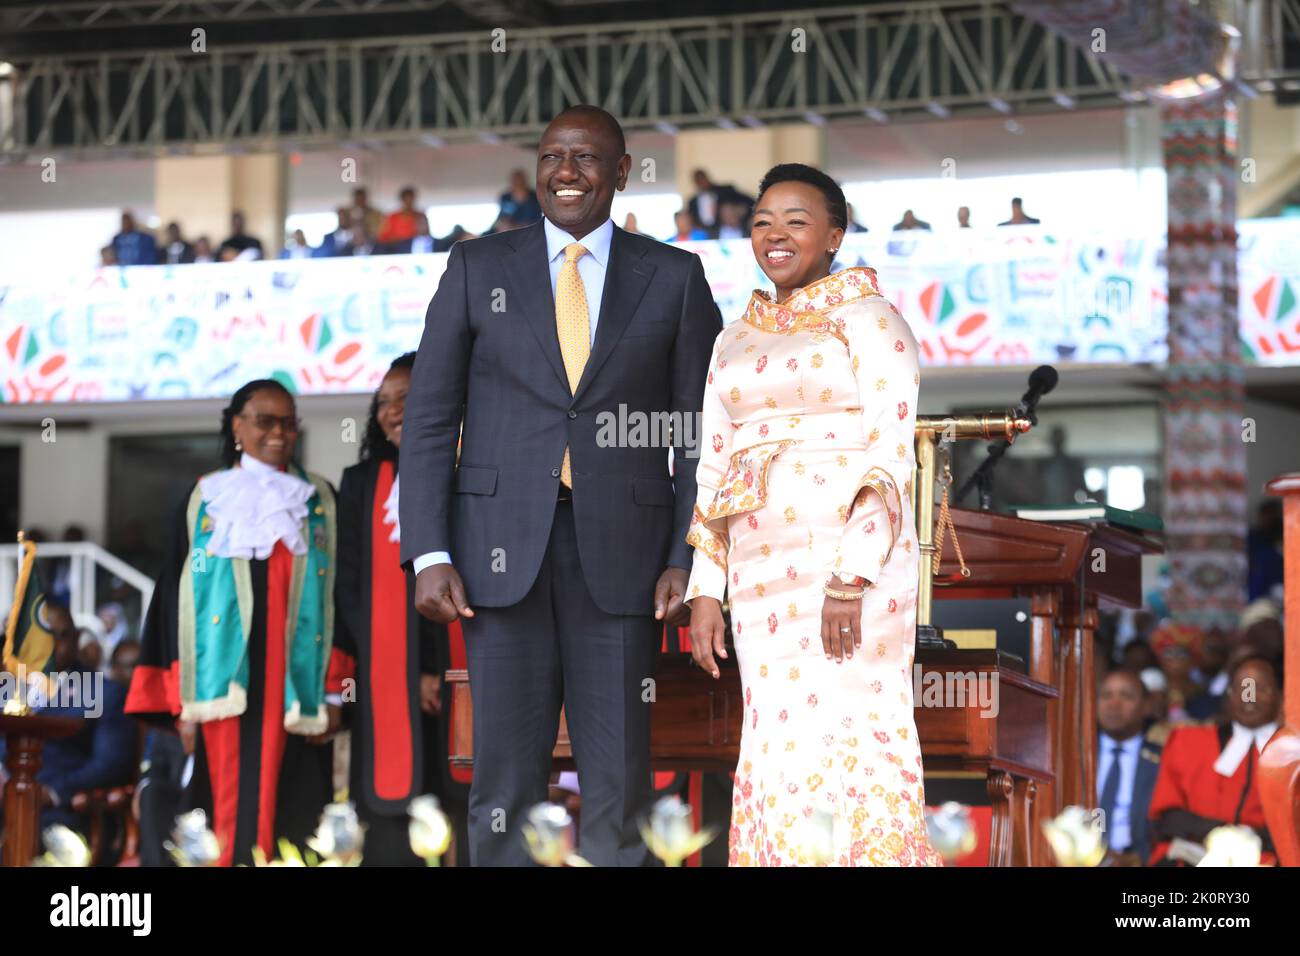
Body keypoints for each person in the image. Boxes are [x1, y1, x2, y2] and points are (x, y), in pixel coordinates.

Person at [399, 104, 719, 867]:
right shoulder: (478, 267)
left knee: (618, 779)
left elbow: (698, 434)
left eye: (584, 158)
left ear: (620, 173)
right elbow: (432, 419)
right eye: (552, 156)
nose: (565, 172)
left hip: (629, 562)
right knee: (504, 779)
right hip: (495, 557)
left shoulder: (673, 276)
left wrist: (687, 554)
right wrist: (427, 551)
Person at [685, 162, 941, 867]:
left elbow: (892, 456)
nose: (776, 234)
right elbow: (713, 470)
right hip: (759, 577)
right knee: (776, 739)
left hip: (848, 569)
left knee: (850, 728)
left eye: (796, 221)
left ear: (834, 234)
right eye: (763, 221)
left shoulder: (873, 320)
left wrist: (850, 576)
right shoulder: (732, 338)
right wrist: (706, 588)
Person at [124, 379, 342, 866]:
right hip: (224, 684)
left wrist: (334, 690)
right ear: (236, 427)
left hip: (295, 684)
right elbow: (173, 601)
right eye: (265, 420)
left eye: (288, 422)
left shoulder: (320, 500)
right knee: (222, 809)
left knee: (297, 809)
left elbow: (337, 599)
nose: (279, 432)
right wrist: (182, 697)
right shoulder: (204, 499)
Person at [334, 353, 453, 866]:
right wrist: (409, 673)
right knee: (391, 827)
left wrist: (435, 669)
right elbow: (351, 588)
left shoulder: (470, 464)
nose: (391, 410)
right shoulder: (362, 483)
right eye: (382, 402)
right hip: (387, 681)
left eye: (404, 396)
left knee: (466, 804)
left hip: (461, 673)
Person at [0, 603, 137, 844]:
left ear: (76, 639)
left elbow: (109, 766)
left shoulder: (104, 693)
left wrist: (50, 792)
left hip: (62, 809)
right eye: (42, 637)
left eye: (61, 636)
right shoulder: (8, 687)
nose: (50, 645)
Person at [1146, 650, 1283, 865]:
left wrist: (1248, 842)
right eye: (1242, 687)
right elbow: (1167, 819)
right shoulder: (1187, 741)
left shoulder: (1292, 753)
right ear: (1229, 695)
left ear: (1280, 695)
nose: (1250, 696)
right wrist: (1223, 835)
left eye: (1261, 688)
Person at [1097, 669, 1163, 864]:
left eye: (1126, 696)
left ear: (1146, 706)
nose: (1114, 704)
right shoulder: (1076, 753)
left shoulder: (1163, 758)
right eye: (1106, 695)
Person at [688, 169, 753, 231]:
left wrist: (743, 215)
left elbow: (749, 201)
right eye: (698, 180)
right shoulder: (692, 201)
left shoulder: (725, 191)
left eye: (702, 179)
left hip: (726, 231)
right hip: (704, 235)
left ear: (707, 178)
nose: (701, 182)